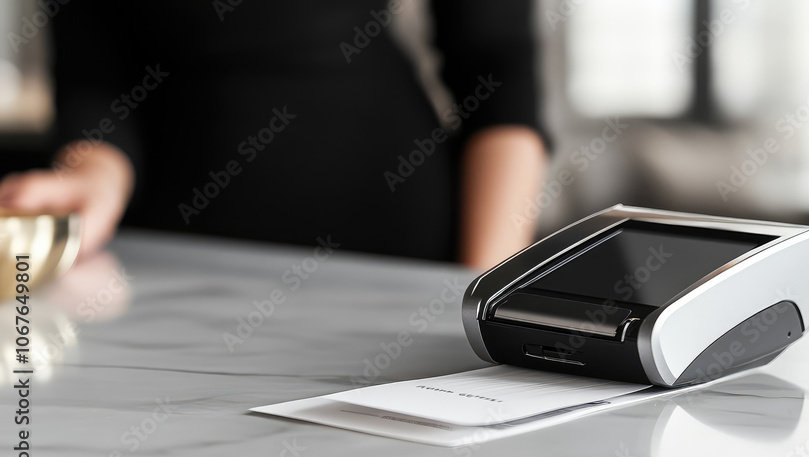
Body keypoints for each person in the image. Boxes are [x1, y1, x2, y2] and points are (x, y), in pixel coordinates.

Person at [0, 1, 547, 269]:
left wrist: (484, 287)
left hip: (392, 246)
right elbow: (94, 76)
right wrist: (91, 173)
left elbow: (499, 71)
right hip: (169, 258)